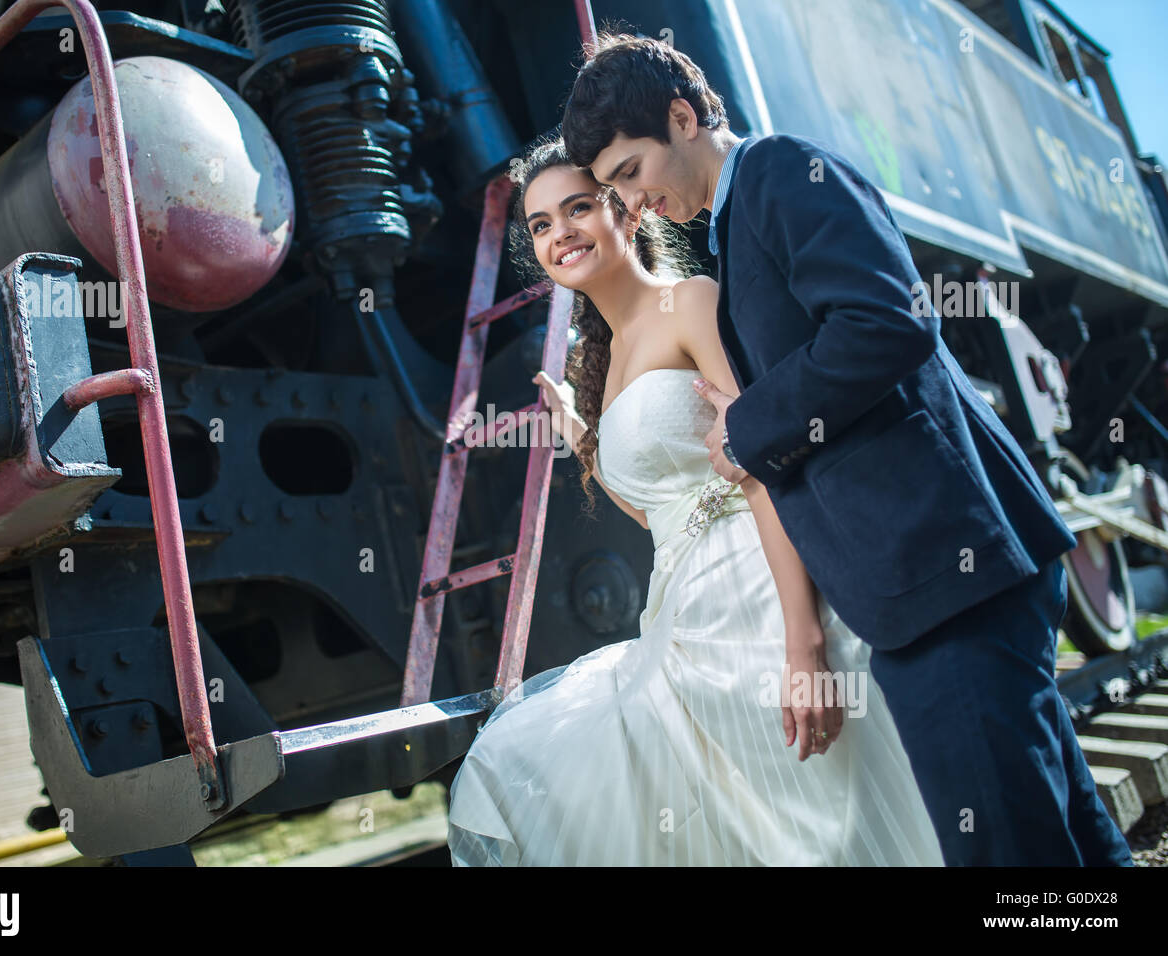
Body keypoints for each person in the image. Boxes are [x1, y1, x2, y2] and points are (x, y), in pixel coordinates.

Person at [559, 32, 1133, 866]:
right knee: (1064, 841)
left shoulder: (783, 172)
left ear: (683, 117)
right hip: (923, 583)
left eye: (630, 174)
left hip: (945, 572)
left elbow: (888, 321)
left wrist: (747, 430)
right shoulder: (739, 218)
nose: (633, 202)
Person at [444, 137, 944, 866]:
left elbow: (763, 465)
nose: (560, 235)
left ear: (626, 208)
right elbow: (661, 510)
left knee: (819, 818)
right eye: (542, 224)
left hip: (759, 599)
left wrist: (802, 645)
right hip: (678, 618)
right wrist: (584, 437)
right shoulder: (600, 361)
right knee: (520, 759)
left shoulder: (692, 302)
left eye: (578, 207)